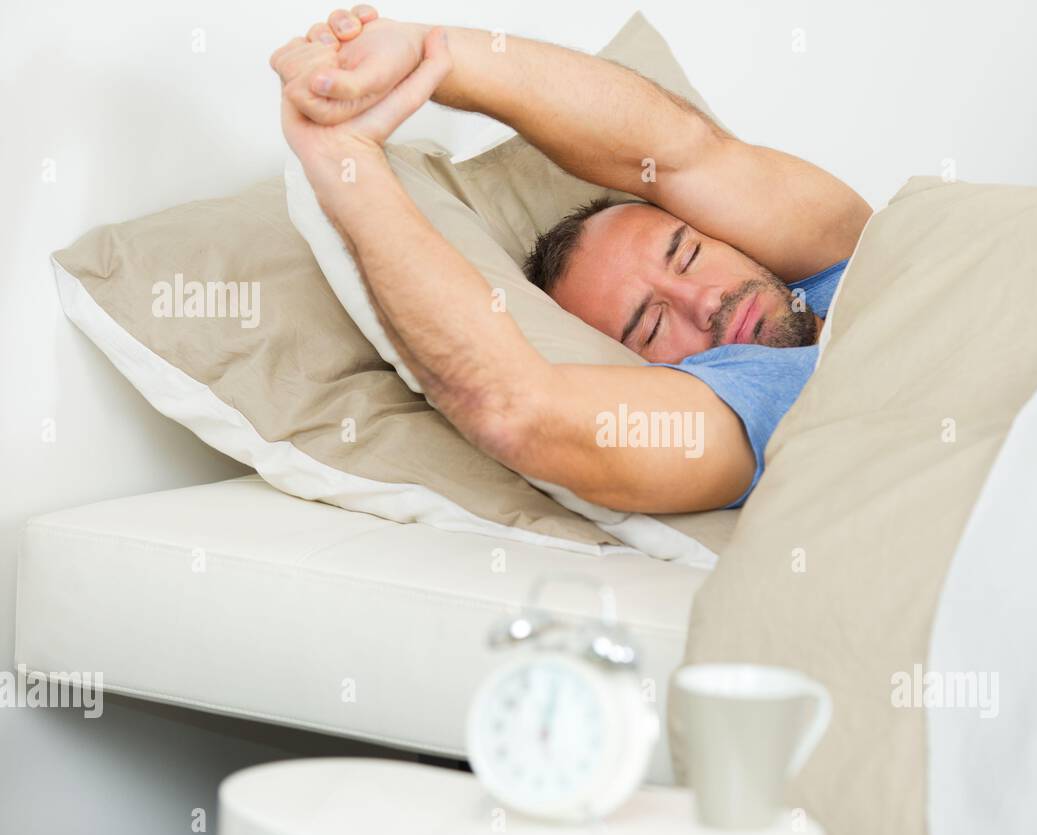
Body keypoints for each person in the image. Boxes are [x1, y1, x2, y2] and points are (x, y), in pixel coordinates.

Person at [270, 7, 871, 513]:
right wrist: (342, 158)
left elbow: (679, 151)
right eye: (652, 325)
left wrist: (426, 54)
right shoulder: (744, 404)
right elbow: (522, 410)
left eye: (687, 255)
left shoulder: (846, 253)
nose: (706, 301)